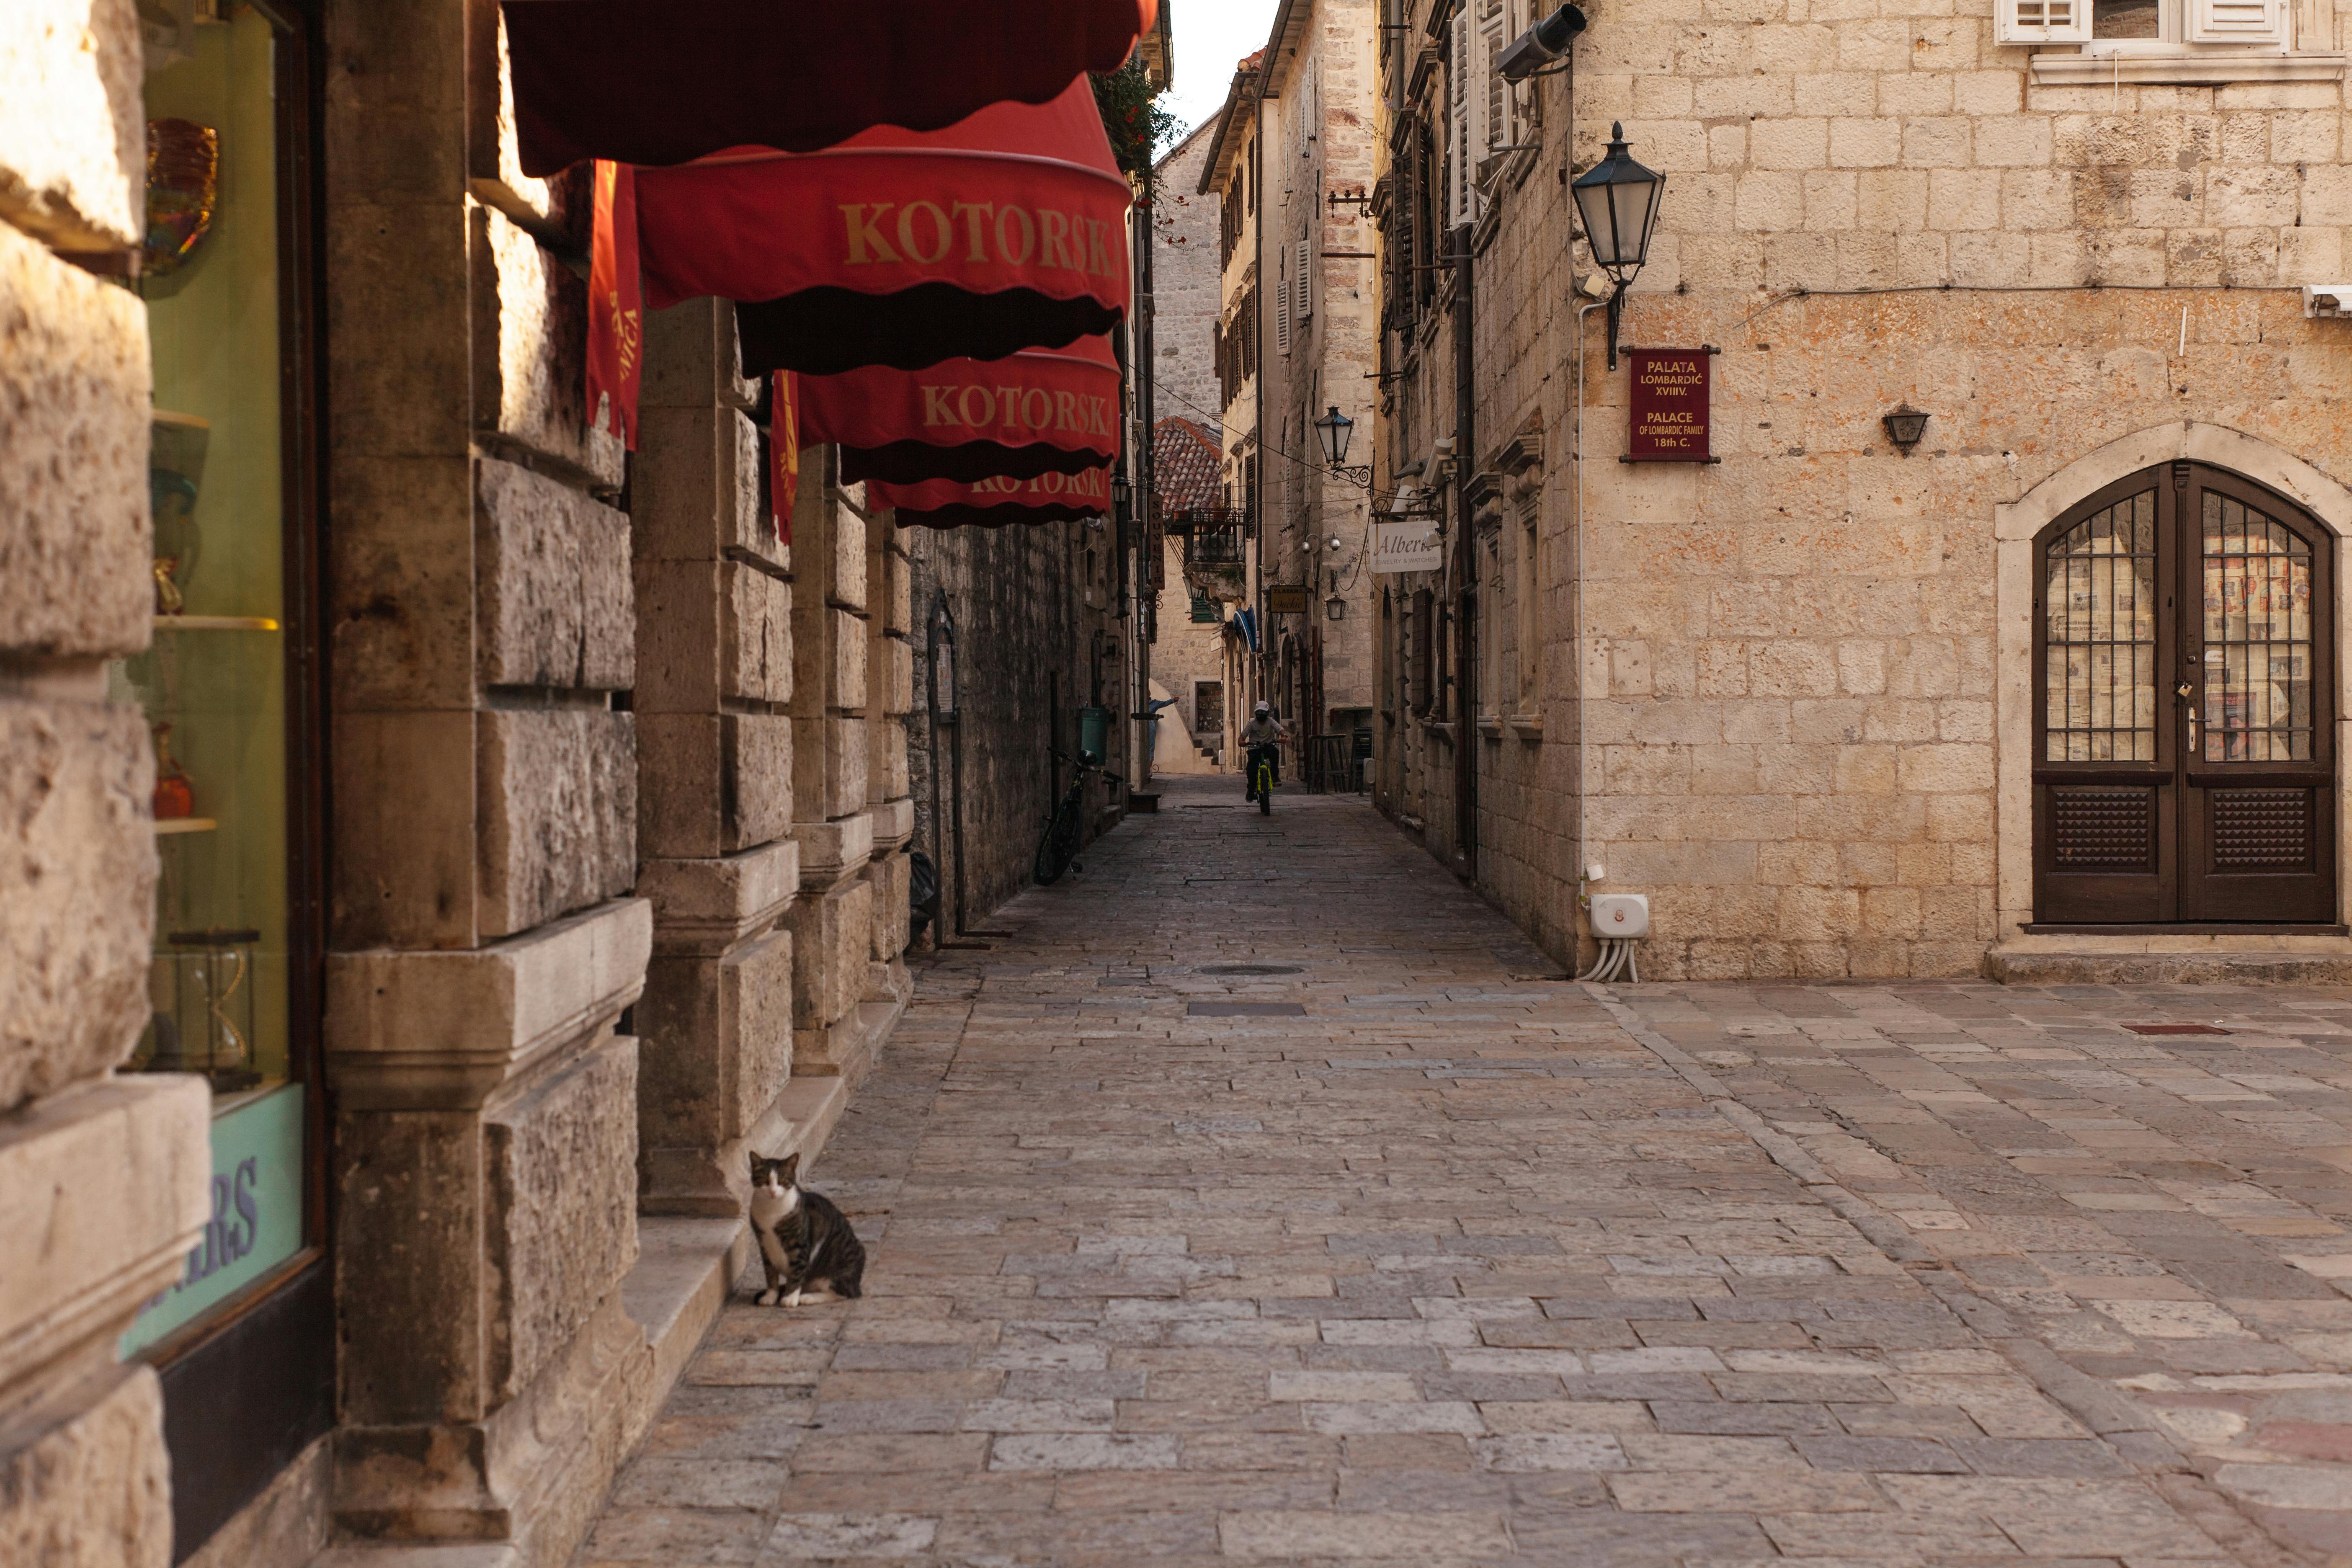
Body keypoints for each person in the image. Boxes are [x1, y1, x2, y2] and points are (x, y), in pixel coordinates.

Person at [1238, 701, 1289, 802]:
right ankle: (1251, 789)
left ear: (1267, 714)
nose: (1261, 716)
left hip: (1268, 746)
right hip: (1254, 748)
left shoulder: (1271, 722)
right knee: (1251, 769)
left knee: (1275, 753)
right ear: (1256, 714)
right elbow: (1243, 735)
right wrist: (1242, 742)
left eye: (1263, 713)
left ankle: (1275, 776)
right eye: (1259, 713)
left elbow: (1280, 729)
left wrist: (1284, 736)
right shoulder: (1252, 723)